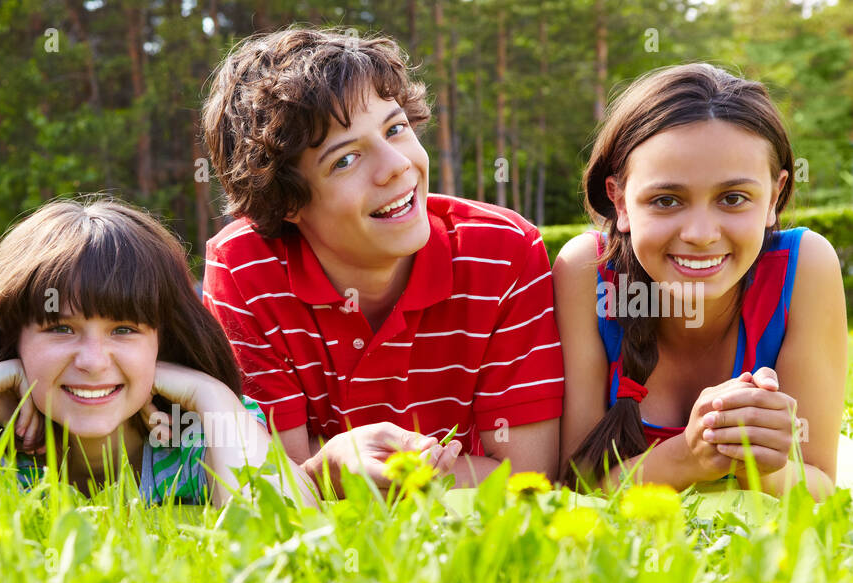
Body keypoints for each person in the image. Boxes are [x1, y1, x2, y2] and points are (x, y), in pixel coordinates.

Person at [201, 27, 564, 496]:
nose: (396, 165)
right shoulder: (244, 267)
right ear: (286, 202)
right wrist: (322, 471)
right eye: (345, 160)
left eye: (396, 129)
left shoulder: (504, 252)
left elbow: (529, 478)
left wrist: (322, 468)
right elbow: (271, 488)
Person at [0, 198, 315, 507]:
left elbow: (284, 527)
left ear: (163, 341)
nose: (93, 361)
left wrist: (210, 393)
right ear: (13, 339)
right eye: (61, 328)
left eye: (124, 330)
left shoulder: (206, 438)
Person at [553, 63, 846, 499]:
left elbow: (822, 484)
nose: (701, 234)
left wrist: (756, 463)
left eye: (733, 198)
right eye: (666, 200)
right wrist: (691, 456)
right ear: (620, 201)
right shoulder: (587, 273)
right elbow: (572, 485)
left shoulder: (804, 267)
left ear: (775, 196)